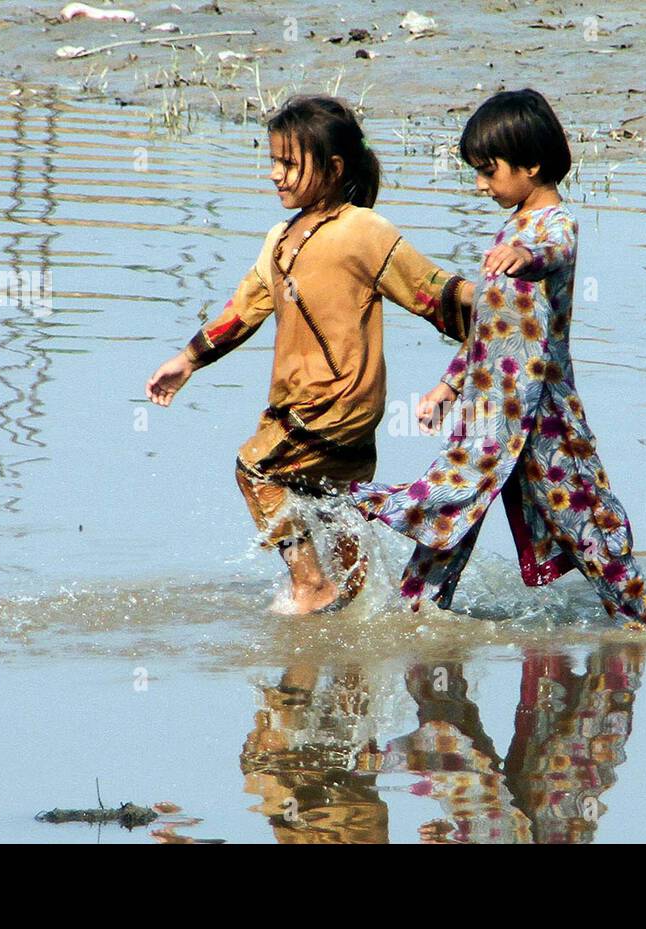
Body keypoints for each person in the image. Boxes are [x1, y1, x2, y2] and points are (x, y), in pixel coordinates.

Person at [349, 89, 646, 632]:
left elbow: (555, 251)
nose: (481, 185)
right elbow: (493, 332)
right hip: (490, 414)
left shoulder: (553, 226)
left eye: (488, 171)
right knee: (454, 516)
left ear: (532, 165)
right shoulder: (509, 228)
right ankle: (412, 619)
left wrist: (526, 257)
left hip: (543, 416)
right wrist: (447, 386)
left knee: (584, 519)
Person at [145, 96, 472, 613]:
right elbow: (246, 306)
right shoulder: (278, 239)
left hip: (333, 405)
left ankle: (308, 585)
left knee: (255, 470)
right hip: (304, 406)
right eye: (273, 161)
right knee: (334, 509)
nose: (276, 174)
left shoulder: (364, 231)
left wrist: (500, 307)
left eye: (290, 164)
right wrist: (189, 359)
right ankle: (358, 631)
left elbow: (434, 291)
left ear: (334, 168)